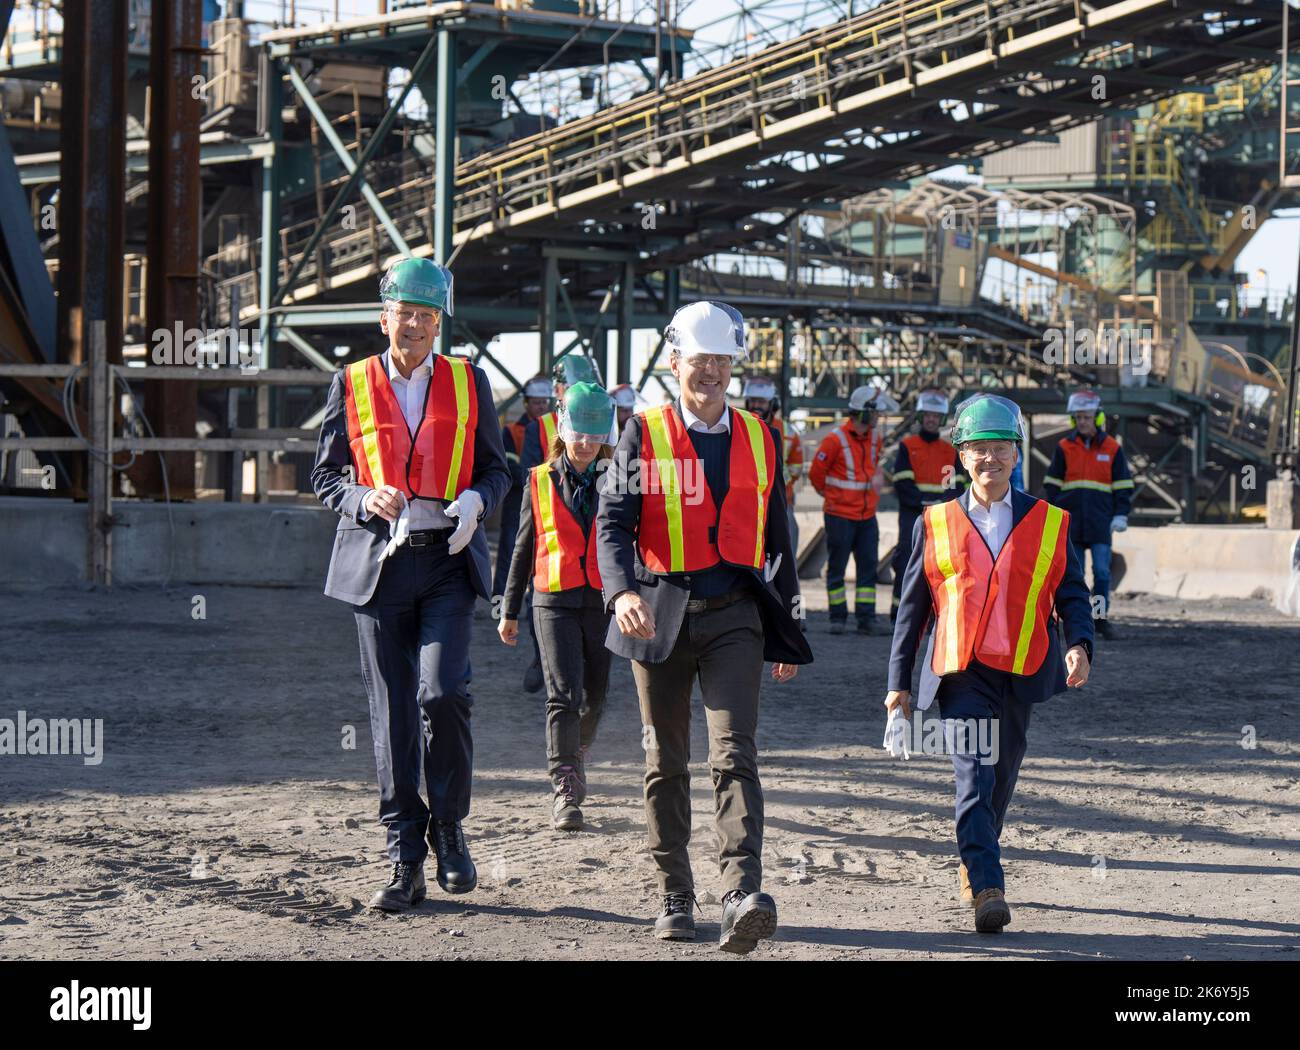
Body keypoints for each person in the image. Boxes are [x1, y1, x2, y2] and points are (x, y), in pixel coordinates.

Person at [597, 300, 812, 954]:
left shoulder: (759, 436)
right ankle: (674, 892)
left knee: (733, 753)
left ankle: (742, 892)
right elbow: (612, 524)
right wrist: (619, 594)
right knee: (665, 761)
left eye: (722, 361)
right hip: (659, 615)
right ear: (675, 363)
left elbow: (780, 534)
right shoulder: (643, 434)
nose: (712, 371)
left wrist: (788, 624)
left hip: (736, 619)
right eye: (700, 360)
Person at [311, 258, 511, 912]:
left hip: (447, 562)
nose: (418, 324)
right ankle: (405, 857)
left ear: (438, 321)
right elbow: (325, 476)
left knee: (443, 691)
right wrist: (364, 497)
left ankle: (449, 828)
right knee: (393, 710)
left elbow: (497, 470)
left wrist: (477, 504)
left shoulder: (469, 382)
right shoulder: (352, 382)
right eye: (407, 312)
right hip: (379, 569)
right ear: (385, 316)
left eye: (429, 315)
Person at [886, 394, 1093, 933]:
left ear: (1017, 453)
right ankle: (987, 888)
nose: (989, 459)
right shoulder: (933, 523)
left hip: (1023, 668)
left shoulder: (1051, 522)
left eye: (999, 448)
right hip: (960, 671)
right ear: (960, 456)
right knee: (974, 776)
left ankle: (976, 855)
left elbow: (1072, 591)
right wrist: (898, 687)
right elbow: (912, 609)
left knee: (1001, 778)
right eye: (978, 449)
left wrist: (1080, 642)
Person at [498, 383, 616, 832]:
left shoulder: (620, 480)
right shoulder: (538, 480)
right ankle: (565, 785)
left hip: (603, 601)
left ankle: (578, 752)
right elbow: (521, 548)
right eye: (577, 433)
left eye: (593, 434)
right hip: (552, 600)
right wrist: (509, 610)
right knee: (562, 694)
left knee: (597, 695)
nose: (585, 443)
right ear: (563, 430)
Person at [517, 355, 601, 692]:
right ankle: (543, 656)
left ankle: (580, 664)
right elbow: (522, 475)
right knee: (537, 594)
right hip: (545, 521)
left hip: (587, 519)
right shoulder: (540, 427)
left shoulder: (602, 420)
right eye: (572, 386)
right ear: (558, 389)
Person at [1042, 389, 1134, 640]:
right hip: (1071, 524)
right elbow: (1051, 485)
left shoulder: (1113, 449)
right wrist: (1053, 515)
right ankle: (1077, 620)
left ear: (1098, 418)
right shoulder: (1064, 447)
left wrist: (1121, 514)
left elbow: (1123, 485)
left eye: (1086, 417)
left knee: (1102, 574)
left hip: (1100, 523)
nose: (1082, 421)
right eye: (1078, 417)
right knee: (1075, 575)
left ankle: (1100, 620)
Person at [809, 384, 891, 635]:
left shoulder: (876, 438)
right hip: (840, 515)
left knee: (868, 569)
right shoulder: (835, 440)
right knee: (837, 568)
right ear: (864, 413)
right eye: (875, 413)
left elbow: (874, 468)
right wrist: (833, 497)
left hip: (867, 516)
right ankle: (838, 618)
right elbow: (816, 474)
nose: (879, 417)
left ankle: (866, 620)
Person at [888, 388, 965, 622]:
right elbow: (902, 481)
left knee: (940, 564)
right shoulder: (907, 446)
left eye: (935, 416)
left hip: (941, 517)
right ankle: (898, 614)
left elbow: (956, 484)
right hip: (912, 515)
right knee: (906, 563)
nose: (931, 419)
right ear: (921, 417)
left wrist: (942, 504)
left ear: (941, 419)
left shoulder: (949, 451)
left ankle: (935, 615)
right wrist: (922, 503)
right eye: (927, 415)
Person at [494, 374, 554, 602]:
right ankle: (499, 602)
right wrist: (533, 481)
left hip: (544, 498)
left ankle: (530, 600)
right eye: (537, 402)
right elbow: (509, 465)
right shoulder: (511, 431)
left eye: (544, 402)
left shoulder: (551, 429)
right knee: (510, 550)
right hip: (518, 498)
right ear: (526, 403)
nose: (541, 406)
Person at [742, 375, 806, 557]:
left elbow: (795, 468)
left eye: (761, 402)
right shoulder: (739, 426)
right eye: (752, 401)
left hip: (780, 501)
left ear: (772, 404)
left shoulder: (788, 432)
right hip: (747, 502)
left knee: (786, 549)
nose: (756, 406)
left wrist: (774, 483)